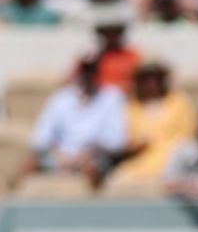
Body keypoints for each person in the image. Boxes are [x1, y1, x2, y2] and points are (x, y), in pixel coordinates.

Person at [22, 56, 126, 188]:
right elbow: (40, 137)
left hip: (94, 158)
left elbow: (116, 141)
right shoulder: (61, 97)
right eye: (85, 70)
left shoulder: (111, 96)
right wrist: (58, 154)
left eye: (92, 70)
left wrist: (88, 153)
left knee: (92, 167)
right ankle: (15, 200)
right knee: (30, 162)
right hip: (61, 156)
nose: (88, 75)